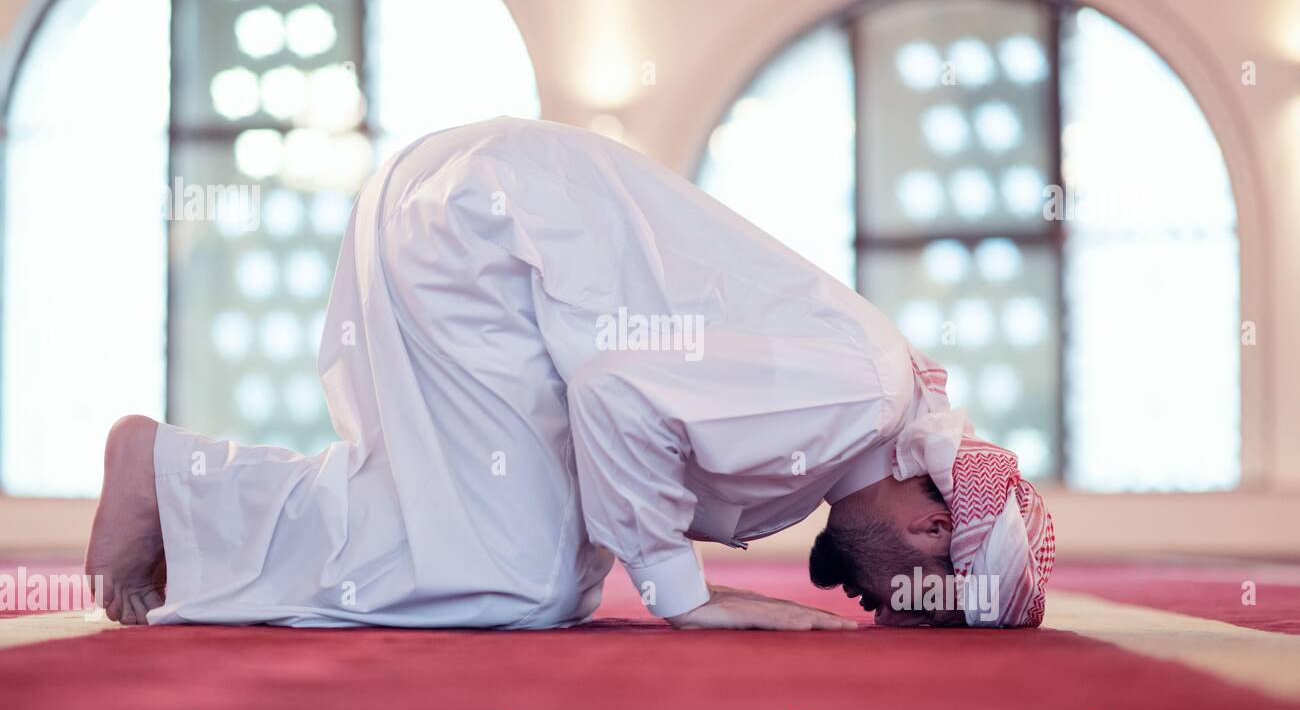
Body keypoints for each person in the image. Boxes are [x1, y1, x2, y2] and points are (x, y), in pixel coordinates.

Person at [85, 117, 1053, 631]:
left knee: (503, 544)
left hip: (477, 223)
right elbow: (617, 390)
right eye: (921, 600)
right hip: (483, 233)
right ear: (935, 527)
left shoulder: (852, 415)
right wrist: (686, 597)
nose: (883, 610)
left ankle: (188, 495)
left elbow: (626, 416)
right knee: (523, 580)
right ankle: (174, 480)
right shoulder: (856, 400)